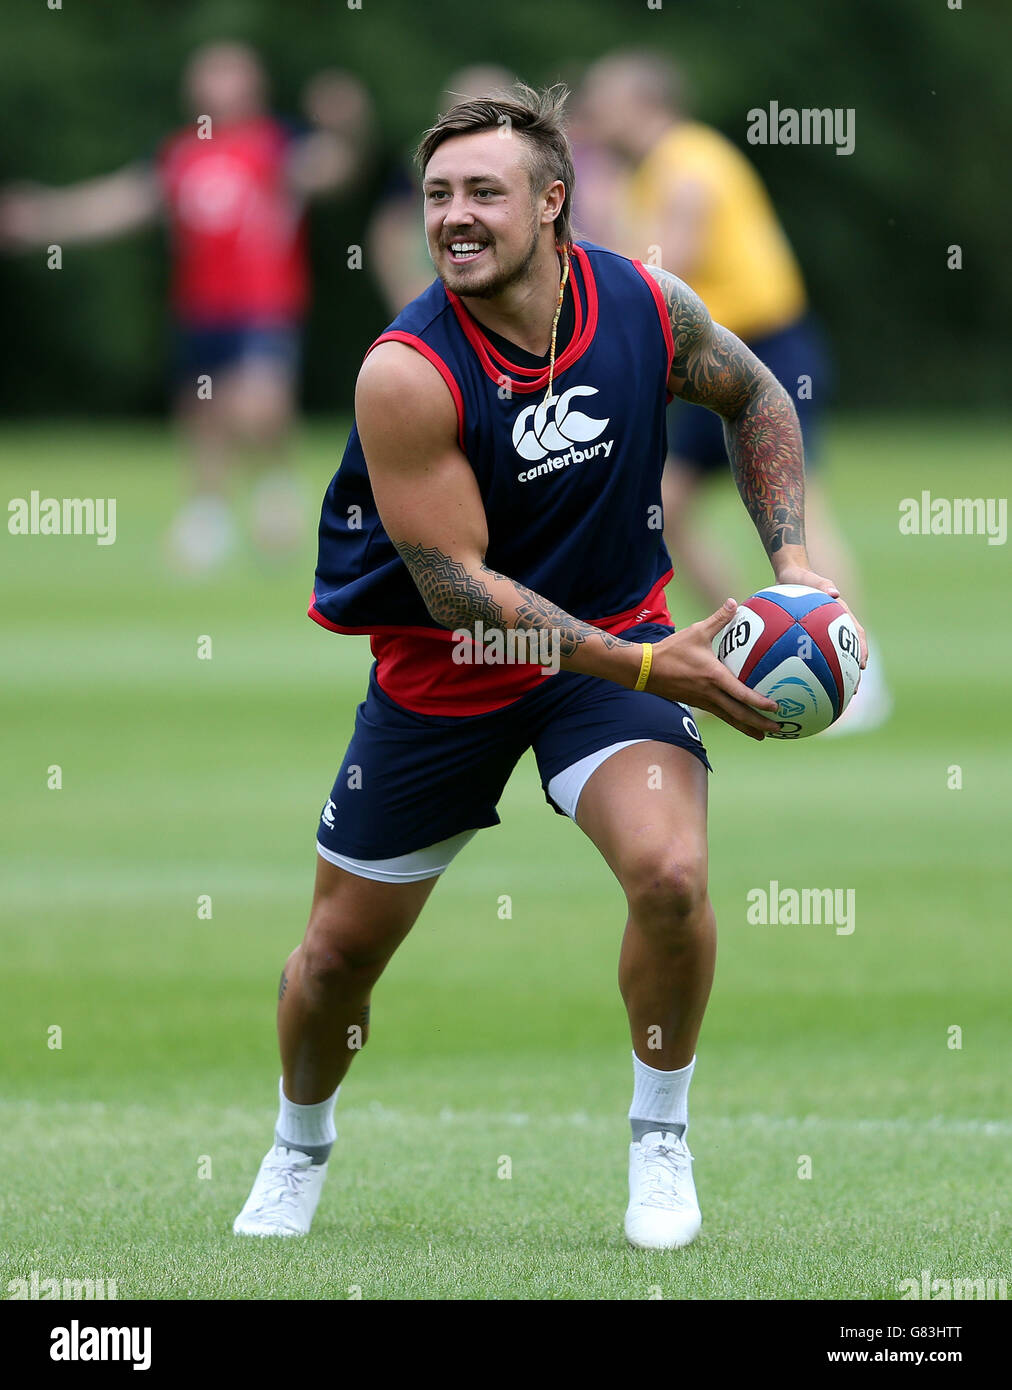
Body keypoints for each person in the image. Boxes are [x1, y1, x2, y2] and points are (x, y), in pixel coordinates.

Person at [232, 85, 866, 1249]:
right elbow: (460, 592)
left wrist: (796, 569)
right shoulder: (405, 369)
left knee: (670, 876)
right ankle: (298, 1141)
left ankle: (659, 1137)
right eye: (437, 196)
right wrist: (644, 665)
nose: (454, 217)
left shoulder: (640, 302)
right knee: (333, 961)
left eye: (483, 192)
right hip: (449, 670)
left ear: (553, 202)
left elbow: (760, 397)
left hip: (606, 658)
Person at [578, 52, 889, 732]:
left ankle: (855, 671)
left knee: (801, 505)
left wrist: (594, 238)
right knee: (670, 507)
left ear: (645, 102)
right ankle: (754, 653)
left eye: (605, 99)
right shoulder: (650, 172)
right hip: (708, 362)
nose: (594, 114)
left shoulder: (689, 160)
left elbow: (664, 264)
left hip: (766, 355)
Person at [0, 41, 372, 573]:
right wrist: (41, 218)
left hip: (265, 306)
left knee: (260, 403)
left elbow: (335, 170)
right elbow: (117, 203)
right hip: (201, 308)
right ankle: (209, 517)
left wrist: (348, 127)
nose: (216, 87)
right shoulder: (179, 153)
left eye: (229, 76)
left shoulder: (276, 144)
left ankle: (276, 491)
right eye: (208, 76)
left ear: (253, 85)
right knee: (204, 418)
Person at [366, 64, 515, 317]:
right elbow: (389, 232)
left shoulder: (528, 167)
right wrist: (408, 294)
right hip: (437, 296)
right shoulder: (418, 164)